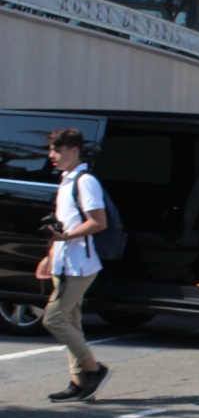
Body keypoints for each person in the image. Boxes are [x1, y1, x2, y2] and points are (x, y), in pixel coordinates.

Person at [40, 127, 112, 402]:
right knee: (71, 322)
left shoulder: (85, 181)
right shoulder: (66, 180)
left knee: (54, 319)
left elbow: (98, 222)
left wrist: (66, 237)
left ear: (74, 150)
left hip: (80, 265)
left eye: (57, 151)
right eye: (51, 150)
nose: (52, 156)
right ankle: (80, 383)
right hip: (64, 263)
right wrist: (50, 256)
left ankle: (94, 369)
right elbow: (63, 225)